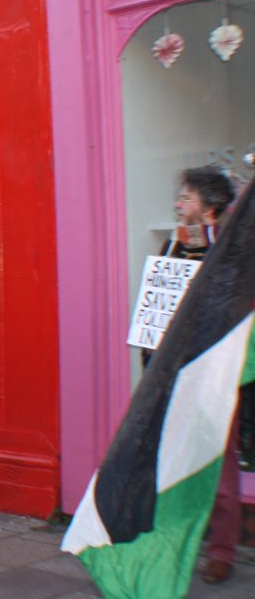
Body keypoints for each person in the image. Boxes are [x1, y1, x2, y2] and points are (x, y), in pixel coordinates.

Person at [164, 167, 240, 584]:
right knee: (174, 460)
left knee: (221, 464)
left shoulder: (232, 249)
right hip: (176, 371)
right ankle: (177, 539)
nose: (179, 204)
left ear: (209, 207)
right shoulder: (173, 243)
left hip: (216, 372)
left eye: (187, 197)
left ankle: (221, 549)